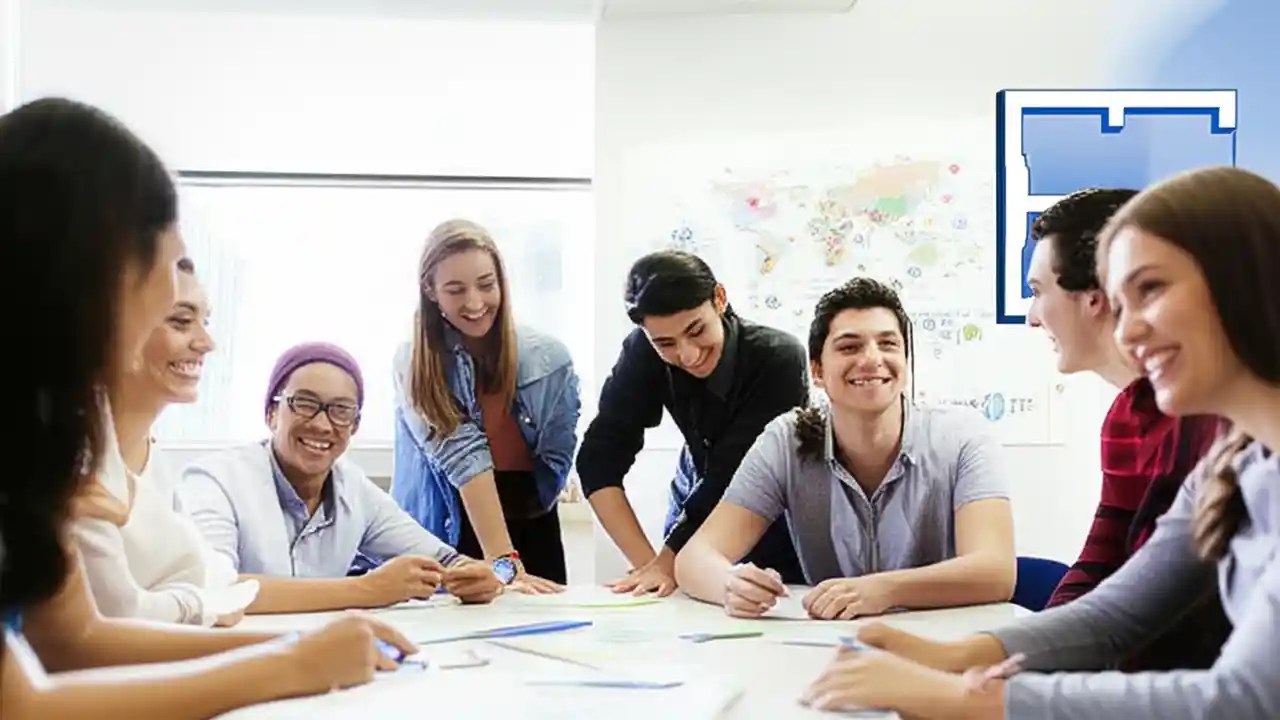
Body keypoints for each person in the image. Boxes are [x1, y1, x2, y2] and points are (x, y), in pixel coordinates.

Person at [801, 166, 1280, 719]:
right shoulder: (1233, 462)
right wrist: (950, 656)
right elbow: (1117, 612)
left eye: (1149, 289)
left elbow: (1246, 701)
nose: (1126, 333)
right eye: (1120, 302)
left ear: (1240, 277)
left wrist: (965, 698)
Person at [1, 97, 414, 718]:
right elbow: (26, 702)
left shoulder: (41, 437)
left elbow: (69, 635)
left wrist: (302, 649)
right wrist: (292, 662)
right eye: (165, 272)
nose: (192, 324)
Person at [675, 277, 1016, 618]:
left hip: (944, 648)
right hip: (832, 648)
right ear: (818, 371)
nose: (872, 359)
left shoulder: (962, 437)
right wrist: (730, 584)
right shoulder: (785, 441)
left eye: (888, 344)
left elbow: (996, 571)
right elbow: (694, 559)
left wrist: (882, 590)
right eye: (849, 347)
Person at [1026, 187, 1228, 667]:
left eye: (1037, 292)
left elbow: (1167, 617)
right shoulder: (1127, 416)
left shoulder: (1213, 427)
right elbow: (1104, 569)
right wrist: (1016, 663)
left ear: (1093, 299)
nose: (1033, 317)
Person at [182, 342, 504, 612]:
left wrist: (477, 577)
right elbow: (212, 589)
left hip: (318, 659)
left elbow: (445, 560)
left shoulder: (354, 490)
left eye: (341, 410)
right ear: (271, 413)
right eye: (304, 404)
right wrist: (366, 590)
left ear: (355, 426)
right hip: (232, 662)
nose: (322, 425)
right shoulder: (214, 481)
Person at [576, 250, 807, 596]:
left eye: (696, 330)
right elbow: (597, 461)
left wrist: (668, 560)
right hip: (691, 519)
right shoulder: (643, 350)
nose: (687, 355)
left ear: (720, 299)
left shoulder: (778, 357)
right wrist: (651, 566)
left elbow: (731, 472)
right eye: (665, 343)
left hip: (771, 523)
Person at [393, 219, 578, 591]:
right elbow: (465, 458)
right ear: (430, 290)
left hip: (531, 524)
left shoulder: (550, 360)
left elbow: (555, 462)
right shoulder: (416, 362)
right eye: (455, 290)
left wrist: (512, 564)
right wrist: (505, 567)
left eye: (486, 285)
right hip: (446, 526)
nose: (475, 303)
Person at [71, 258, 253, 627]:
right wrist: (200, 606)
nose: (206, 343)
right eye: (181, 322)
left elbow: (221, 581)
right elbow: (111, 618)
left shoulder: (154, 458)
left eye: (205, 322)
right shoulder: (73, 451)